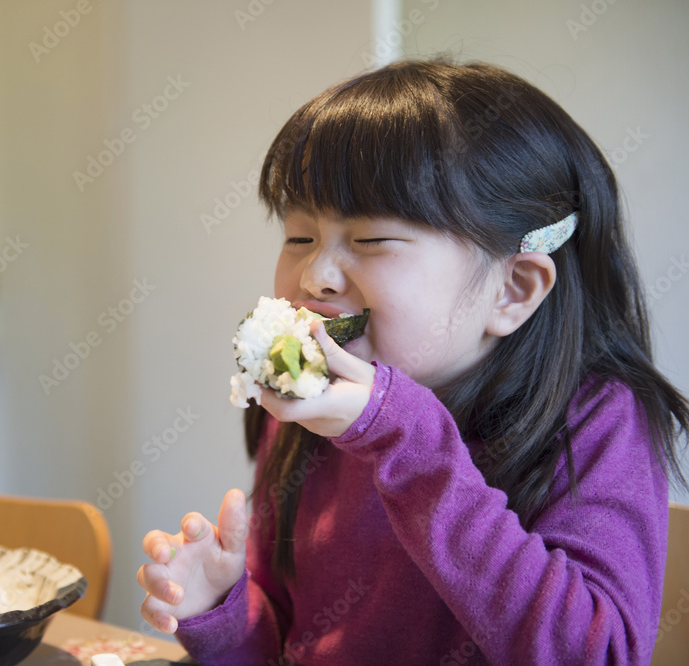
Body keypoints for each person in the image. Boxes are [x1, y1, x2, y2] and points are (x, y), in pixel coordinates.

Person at [136, 58, 689, 665]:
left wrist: (401, 435)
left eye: (370, 240)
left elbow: (595, 655)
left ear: (513, 290)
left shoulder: (599, 421)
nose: (315, 276)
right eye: (300, 237)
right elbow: (293, 641)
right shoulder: (307, 408)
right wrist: (223, 610)